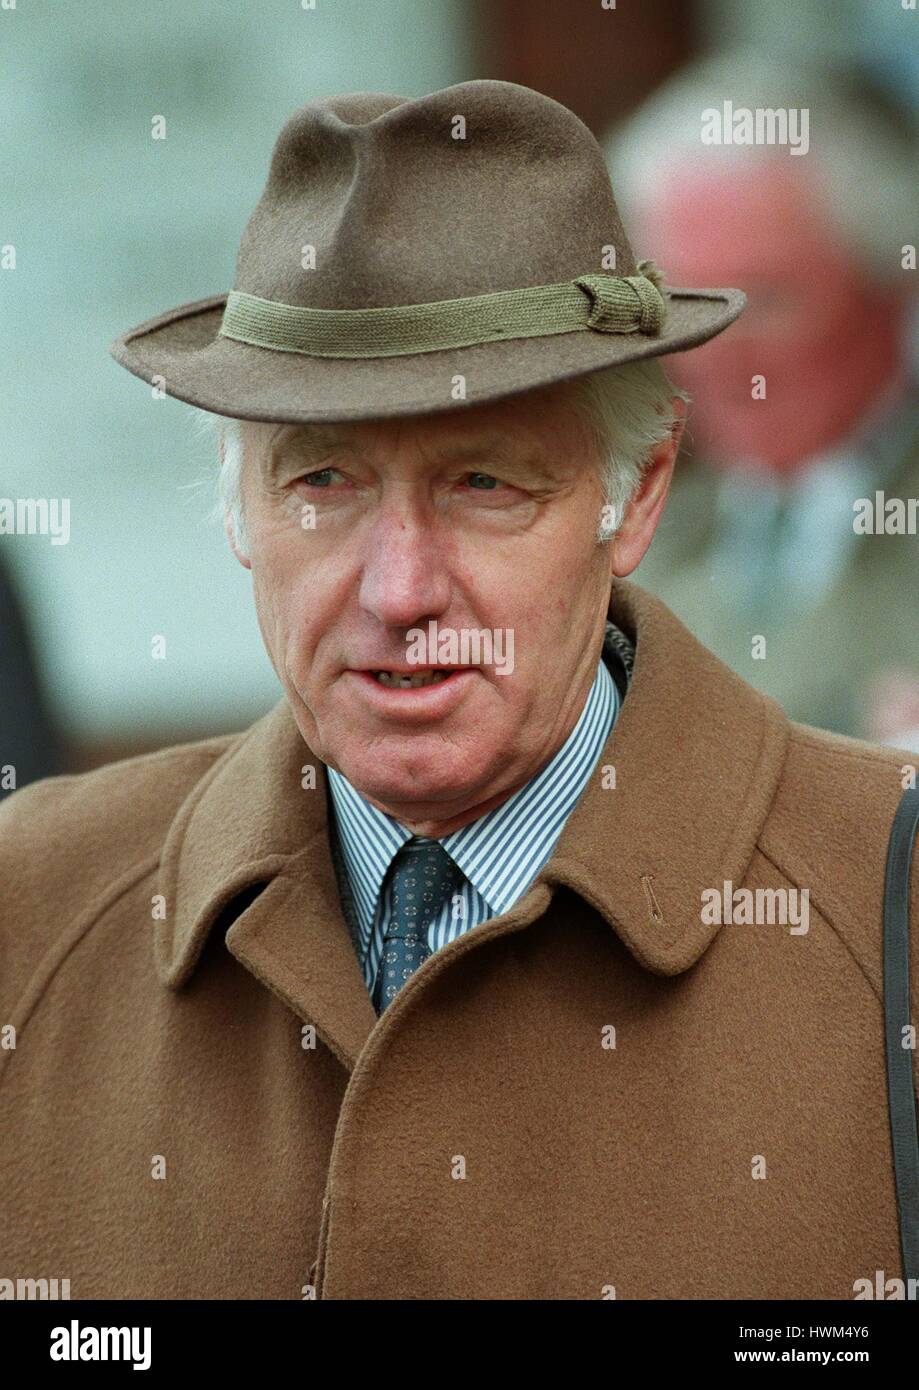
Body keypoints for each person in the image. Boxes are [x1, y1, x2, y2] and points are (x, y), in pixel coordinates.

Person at [1, 80, 916, 1301]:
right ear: (237, 513)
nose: (399, 588)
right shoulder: (32, 911)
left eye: (485, 482)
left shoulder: (889, 902)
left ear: (635, 494)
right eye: (320, 480)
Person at [605, 51, 919, 741]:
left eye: (767, 301)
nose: (720, 356)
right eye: (688, 307)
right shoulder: (631, 544)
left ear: (891, 289)